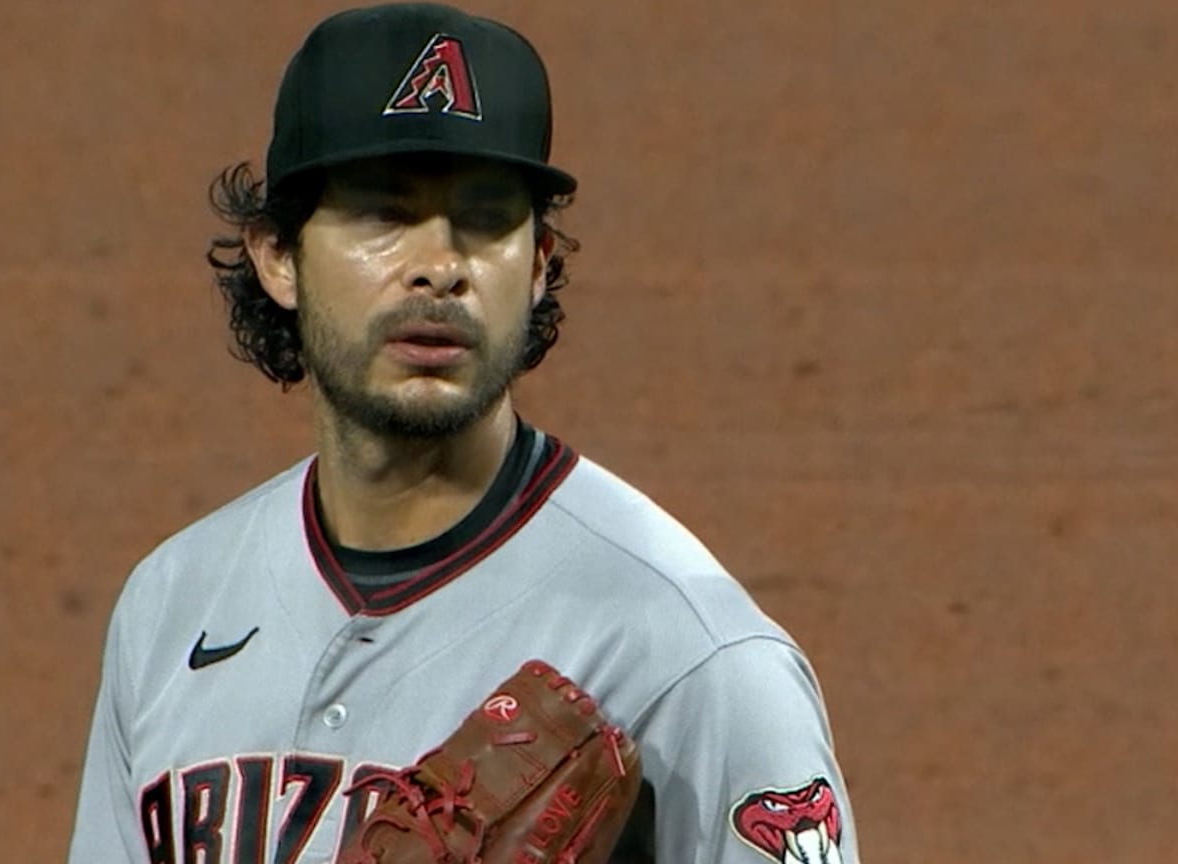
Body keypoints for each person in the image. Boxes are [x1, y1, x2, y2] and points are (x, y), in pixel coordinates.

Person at [67, 4, 860, 863]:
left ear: (540, 264)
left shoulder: (691, 655)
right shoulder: (172, 603)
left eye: (484, 221)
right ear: (279, 257)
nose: (440, 267)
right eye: (385, 215)